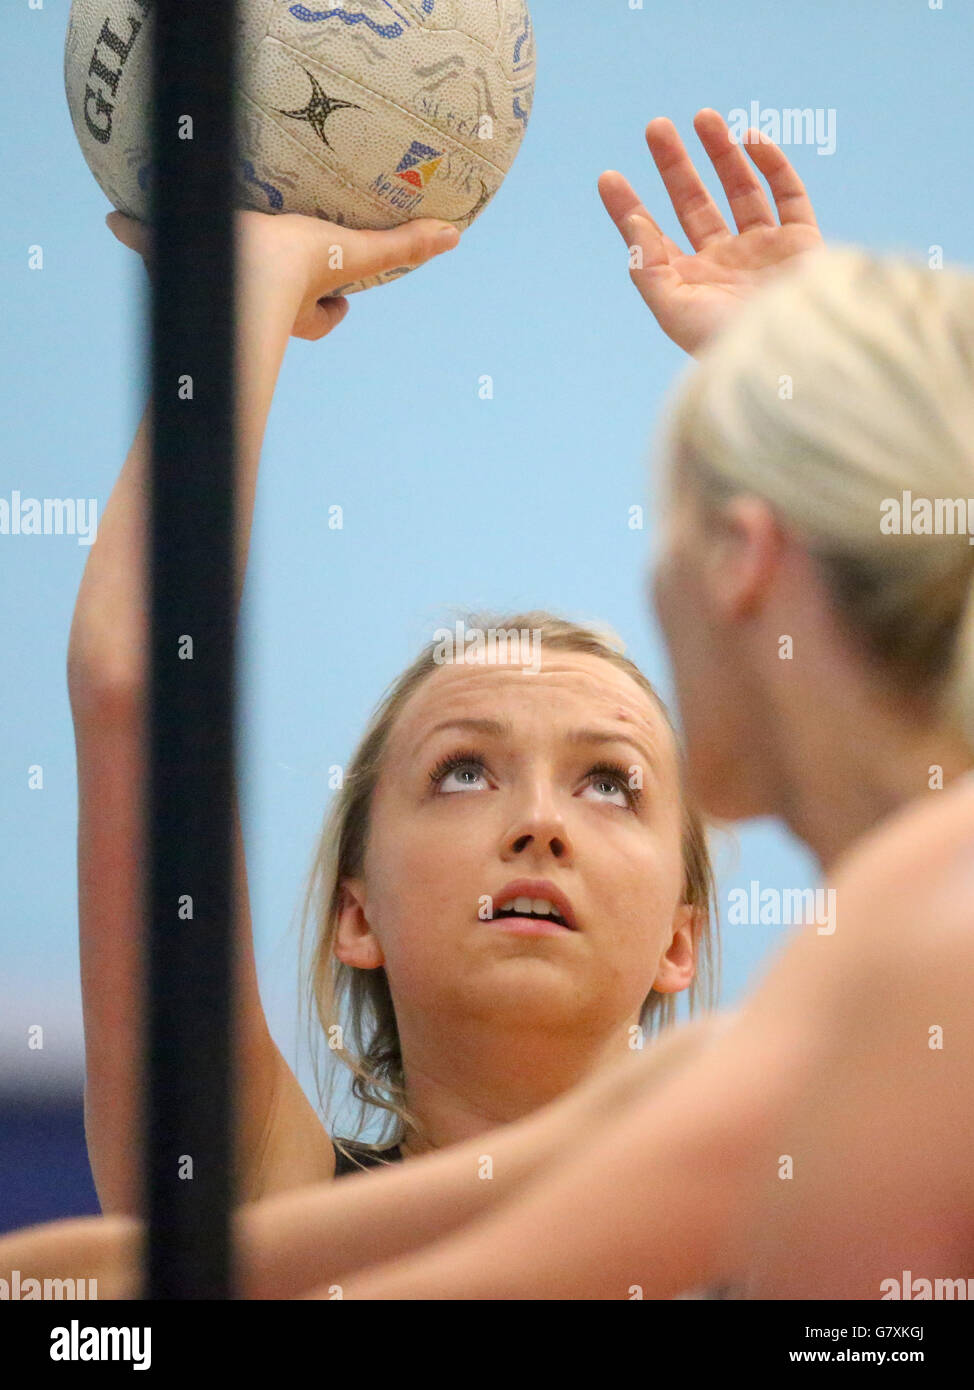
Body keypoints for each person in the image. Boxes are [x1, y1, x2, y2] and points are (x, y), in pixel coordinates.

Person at [1, 110, 848, 1295]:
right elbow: (138, 684)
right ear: (357, 913)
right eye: (462, 769)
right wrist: (248, 287)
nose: (538, 823)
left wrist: (803, 388)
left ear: (680, 938)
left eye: (611, 781)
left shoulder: (813, 1246)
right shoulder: (264, 1209)